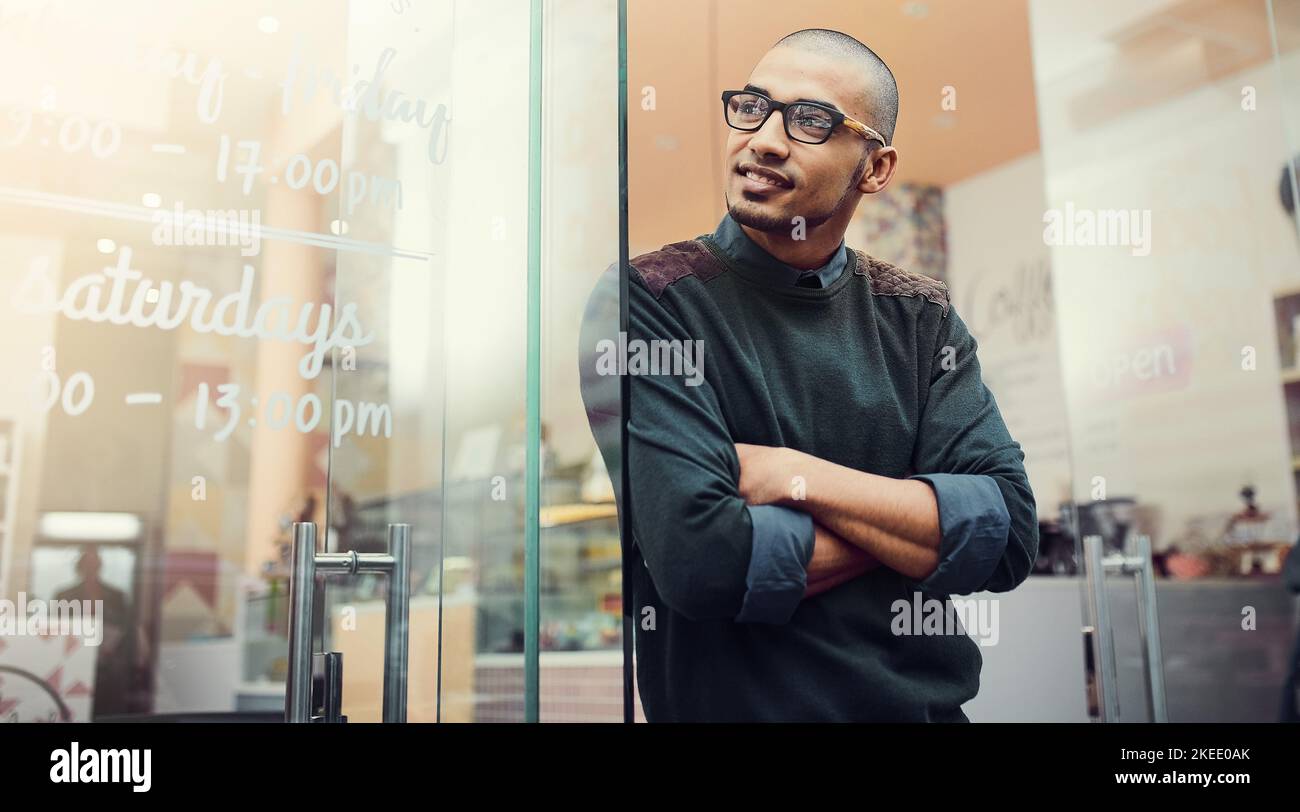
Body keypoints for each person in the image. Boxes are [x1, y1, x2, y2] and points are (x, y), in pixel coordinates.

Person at [580, 28, 1038, 722]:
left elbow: (1007, 538)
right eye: (753, 106)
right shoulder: (649, 298)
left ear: (876, 168)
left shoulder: (919, 316)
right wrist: (916, 527)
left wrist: (794, 476)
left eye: (811, 120)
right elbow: (703, 561)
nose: (764, 138)